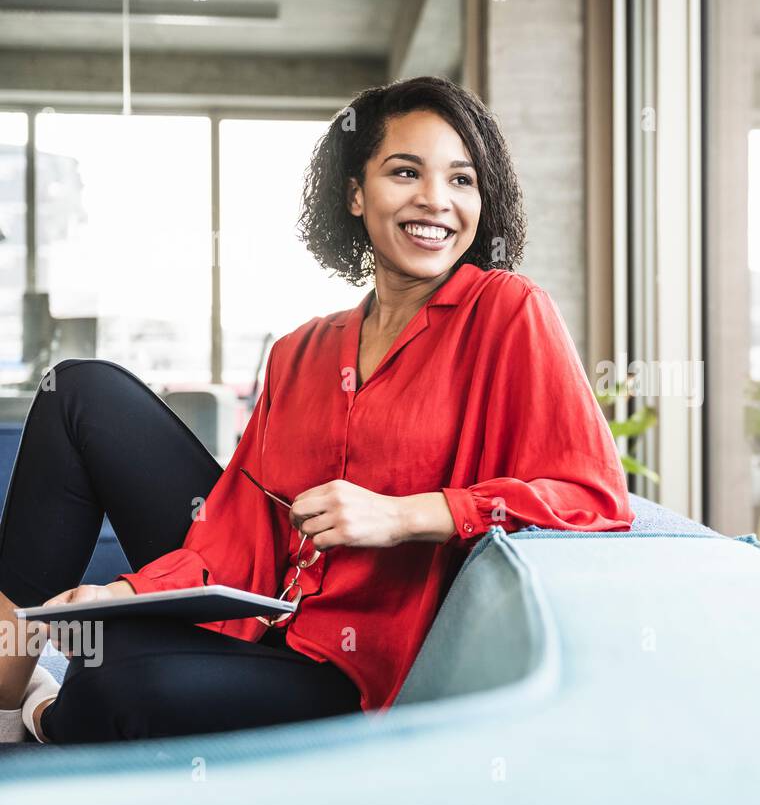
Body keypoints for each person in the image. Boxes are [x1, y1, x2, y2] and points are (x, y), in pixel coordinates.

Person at [0, 76, 633, 744]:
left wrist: (404, 515)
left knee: (118, 678)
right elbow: (240, 533)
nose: (436, 201)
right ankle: (6, 684)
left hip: (352, 672)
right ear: (356, 194)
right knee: (77, 390)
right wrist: (123, 595)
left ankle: (40, 714)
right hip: (265, 609)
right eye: (406, 171)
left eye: (462, 180)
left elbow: (590, 492)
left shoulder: (507, 312)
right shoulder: (301, 350)